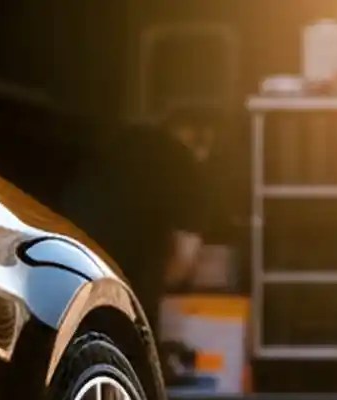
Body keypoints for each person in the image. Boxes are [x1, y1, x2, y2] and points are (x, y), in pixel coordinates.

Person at [62, 108, 219, 382]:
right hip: (130, 263)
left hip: (73, 248)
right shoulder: (185, 166)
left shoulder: (119, 144)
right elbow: (184, 256)